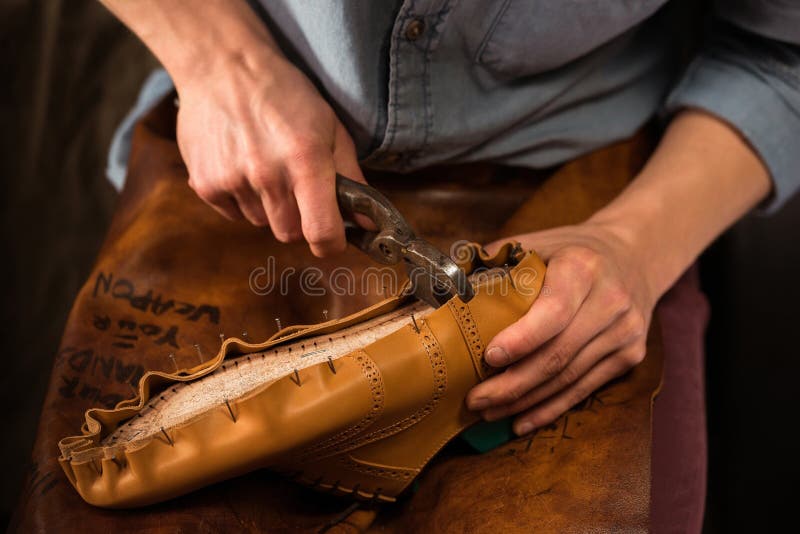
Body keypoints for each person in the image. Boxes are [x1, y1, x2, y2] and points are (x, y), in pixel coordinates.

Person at [98, 0, 799, 529]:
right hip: (243, 167)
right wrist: (222, 63)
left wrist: (635, 246)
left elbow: (783, 58)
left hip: (594, 219)